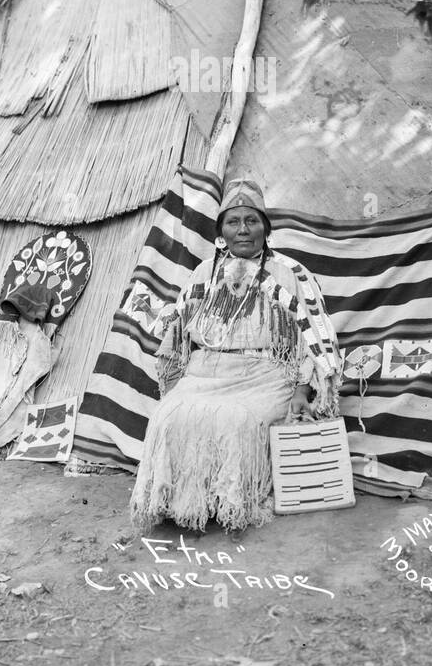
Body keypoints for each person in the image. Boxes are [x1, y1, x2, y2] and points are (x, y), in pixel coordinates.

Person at [129, 177, 343, 533]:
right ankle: (181, 501)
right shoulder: (204, 273)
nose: (243, 230)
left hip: (267, 374)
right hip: (206, 372)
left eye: (251, 221)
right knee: (168, 415)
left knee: (240, 420)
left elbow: (316, 340)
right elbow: (178, 325)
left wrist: (302, 390)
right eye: (233, 221)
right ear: (221, 231)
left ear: (266, 228)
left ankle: (229, 503)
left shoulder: (292, 274)